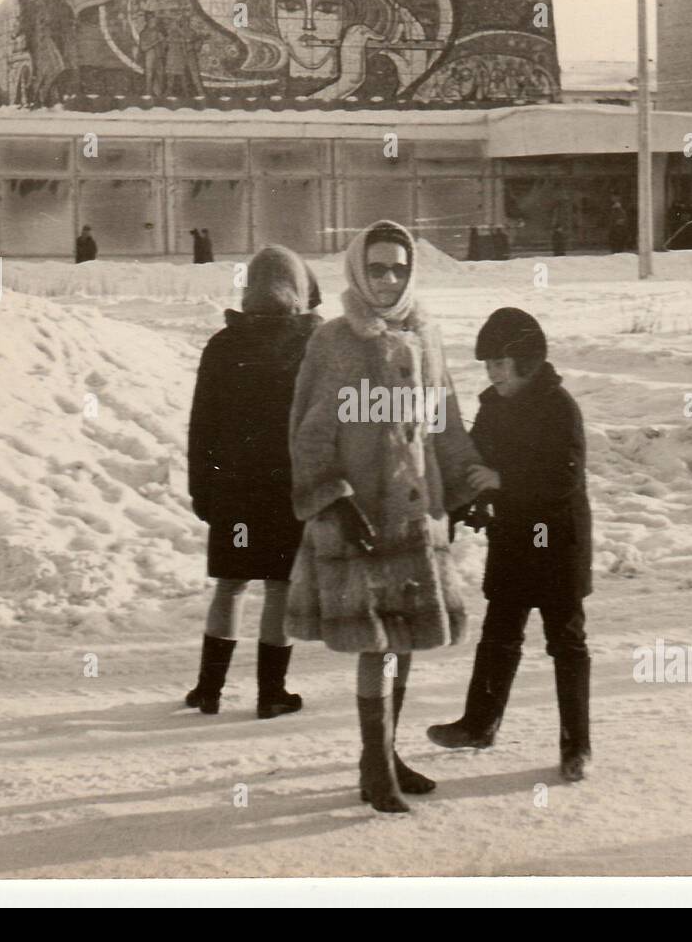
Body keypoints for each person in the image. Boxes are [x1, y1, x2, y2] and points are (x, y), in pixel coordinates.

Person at [285, 220, 484, 813]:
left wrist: (469, 482)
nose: (389, 279)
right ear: (357, 270)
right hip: (363, 520)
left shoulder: (427, 333)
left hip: (416, 520)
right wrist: (335, 501)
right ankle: (374, 769)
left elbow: (443, 418)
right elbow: (309, 434)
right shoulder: (336, 341)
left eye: (399, 267)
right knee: (377, 644)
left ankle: (389, 752)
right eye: (378, 268)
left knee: (405, 641)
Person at [427, 308, 593, 783]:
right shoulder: (494, 406)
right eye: (488, 364)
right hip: (514, 541)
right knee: (499, 634)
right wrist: (466, 505)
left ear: (528, 359)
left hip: (558, 543)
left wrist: (505, 479)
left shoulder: (560, 406)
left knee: (566, 643)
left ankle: (576, 745)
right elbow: (475, 463)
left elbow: (564, 476)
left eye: (502, 362)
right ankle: (478, 724)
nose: (494, 373)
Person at [186, 245, 323, 718]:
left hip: (232, 490)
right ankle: (271, 693)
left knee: (230, 587)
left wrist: (201, 489)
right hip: (287, 491)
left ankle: (209, 690)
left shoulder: (224, 345)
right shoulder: (310, 345)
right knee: (280, 588)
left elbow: (202, 425)